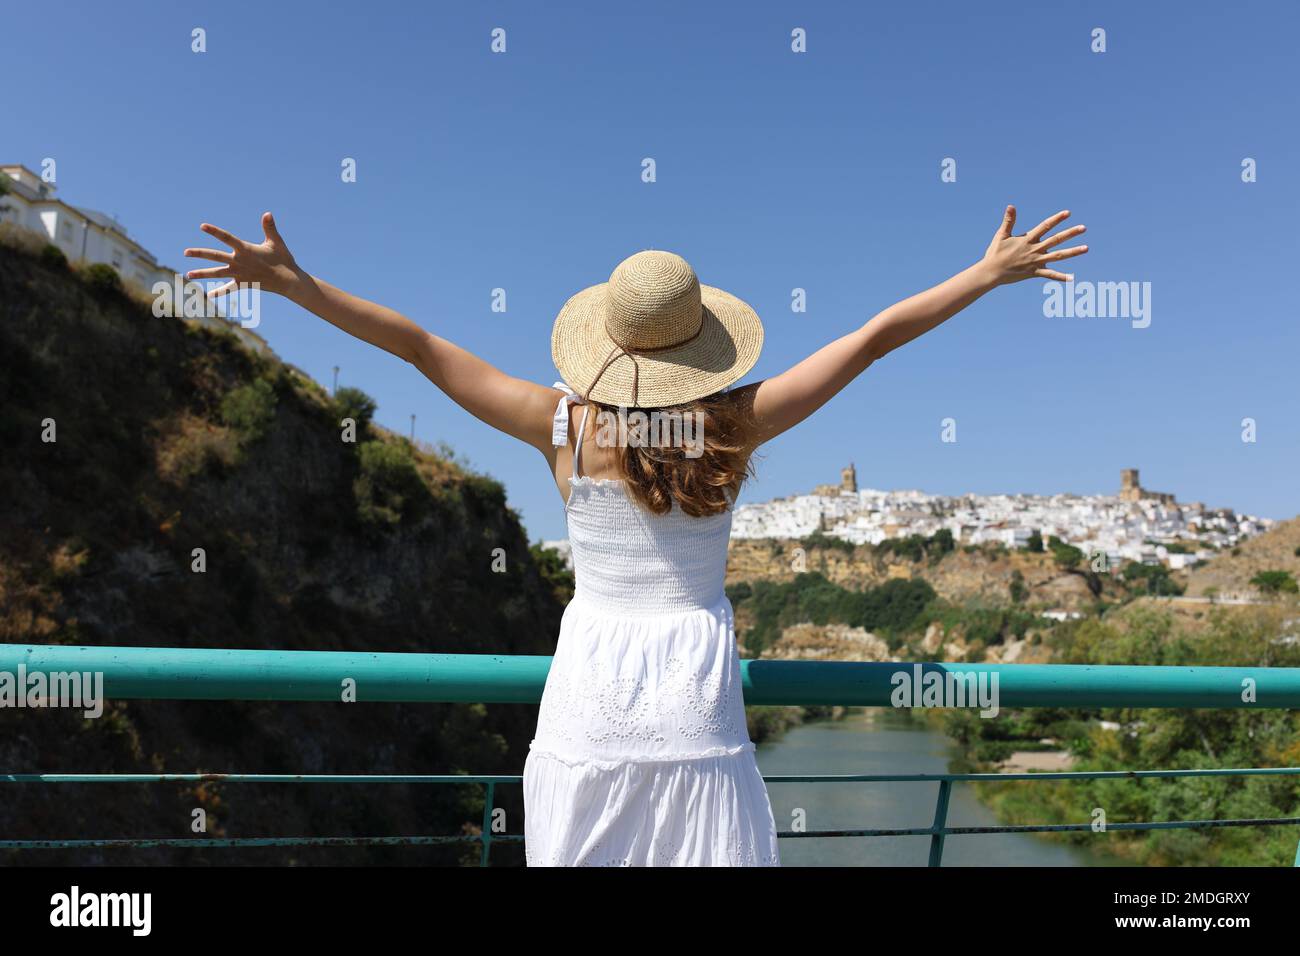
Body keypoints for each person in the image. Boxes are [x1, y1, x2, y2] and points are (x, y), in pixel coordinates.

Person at [184, 205, 1087, 866]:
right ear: (702, 346)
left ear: (607, 345)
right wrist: (982, 275)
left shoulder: (564, 425)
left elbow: (418, 345)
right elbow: (872, 338)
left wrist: (292, 285)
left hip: (591, 703)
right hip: (693, 703)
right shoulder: (734, 426)